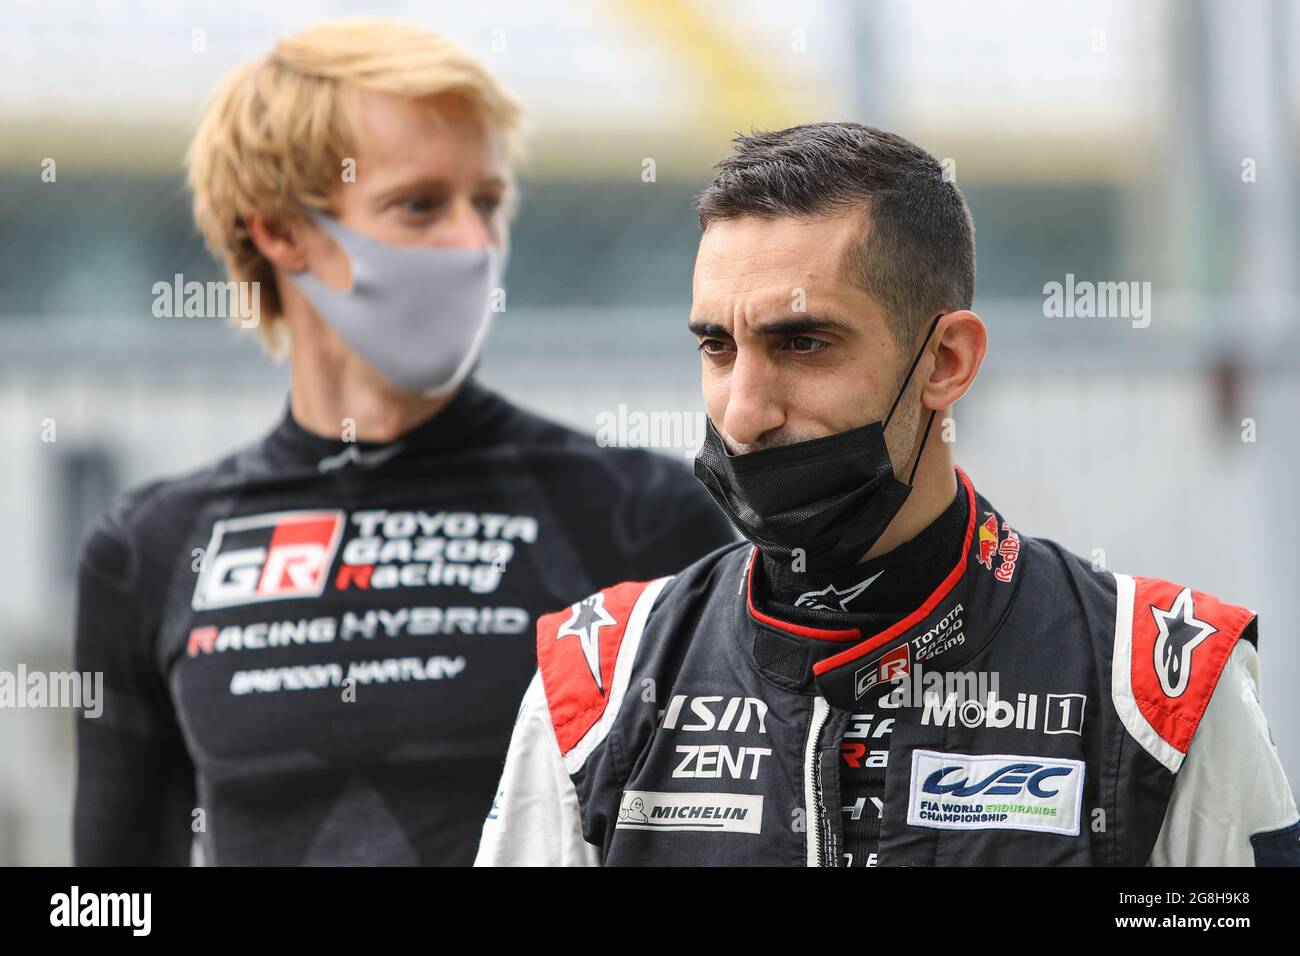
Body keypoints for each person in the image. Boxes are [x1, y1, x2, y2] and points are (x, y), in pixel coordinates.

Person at [476, 122, 1300, 866]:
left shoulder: (1162, 688)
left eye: (802, 343)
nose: (745, 411)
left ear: (946, 362)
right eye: (718, 347)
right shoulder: (597, 679)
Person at [73, 18, 734, 867]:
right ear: (279, 229)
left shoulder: (642, 516)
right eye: (419, 204)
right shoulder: (149, 550)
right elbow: (102, 899)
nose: (473, 243)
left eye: (487, 203)